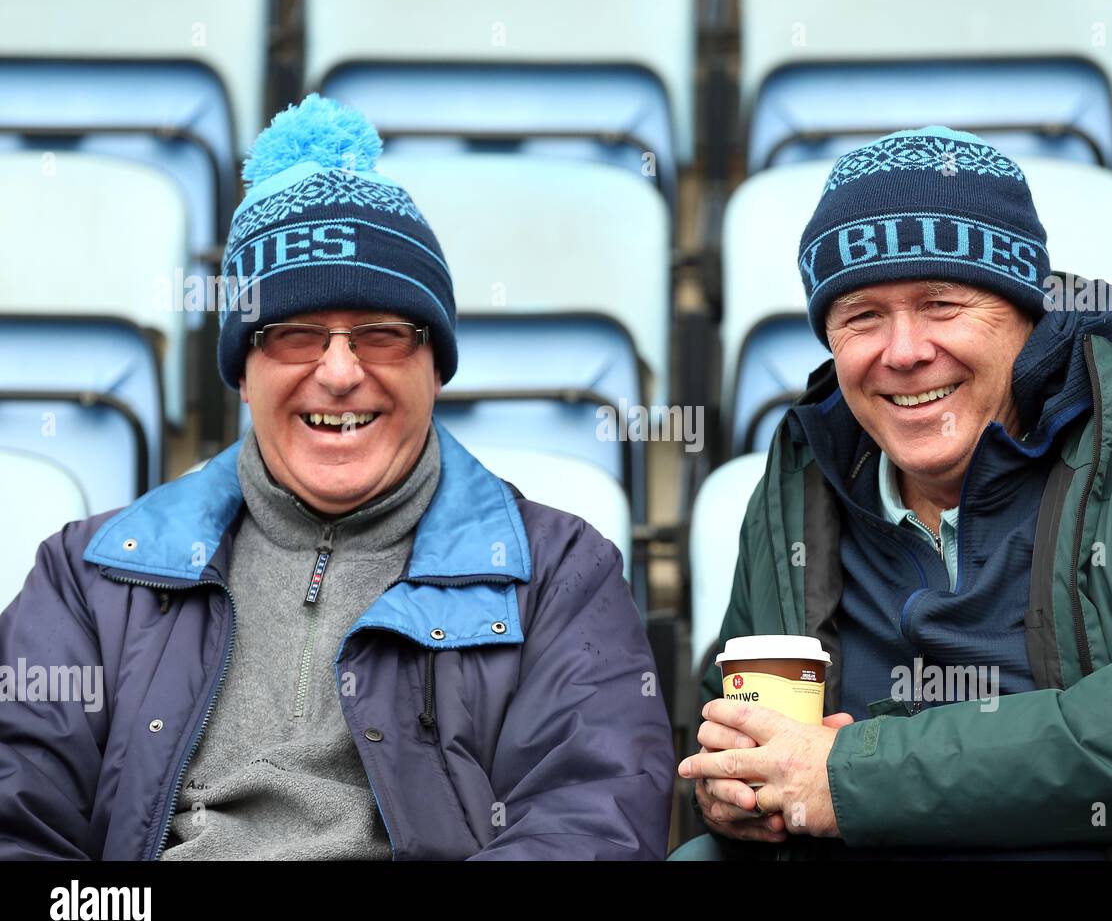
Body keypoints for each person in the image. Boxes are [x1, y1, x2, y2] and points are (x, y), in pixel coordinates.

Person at [0, 95, 674, 860]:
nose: (341, 373)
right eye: (295, 334)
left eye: (383, 334)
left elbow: (591, 827)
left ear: (435, 368)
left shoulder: (558, 575)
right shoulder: (90, 578)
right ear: (243, 373)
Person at [674, 126, 1112, 860]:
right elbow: (735, 707)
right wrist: (734, 790)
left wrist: (848, 776)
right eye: (862, 317)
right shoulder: (802, 479)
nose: (904, 352)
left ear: (1025, 314)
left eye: (941, 304)